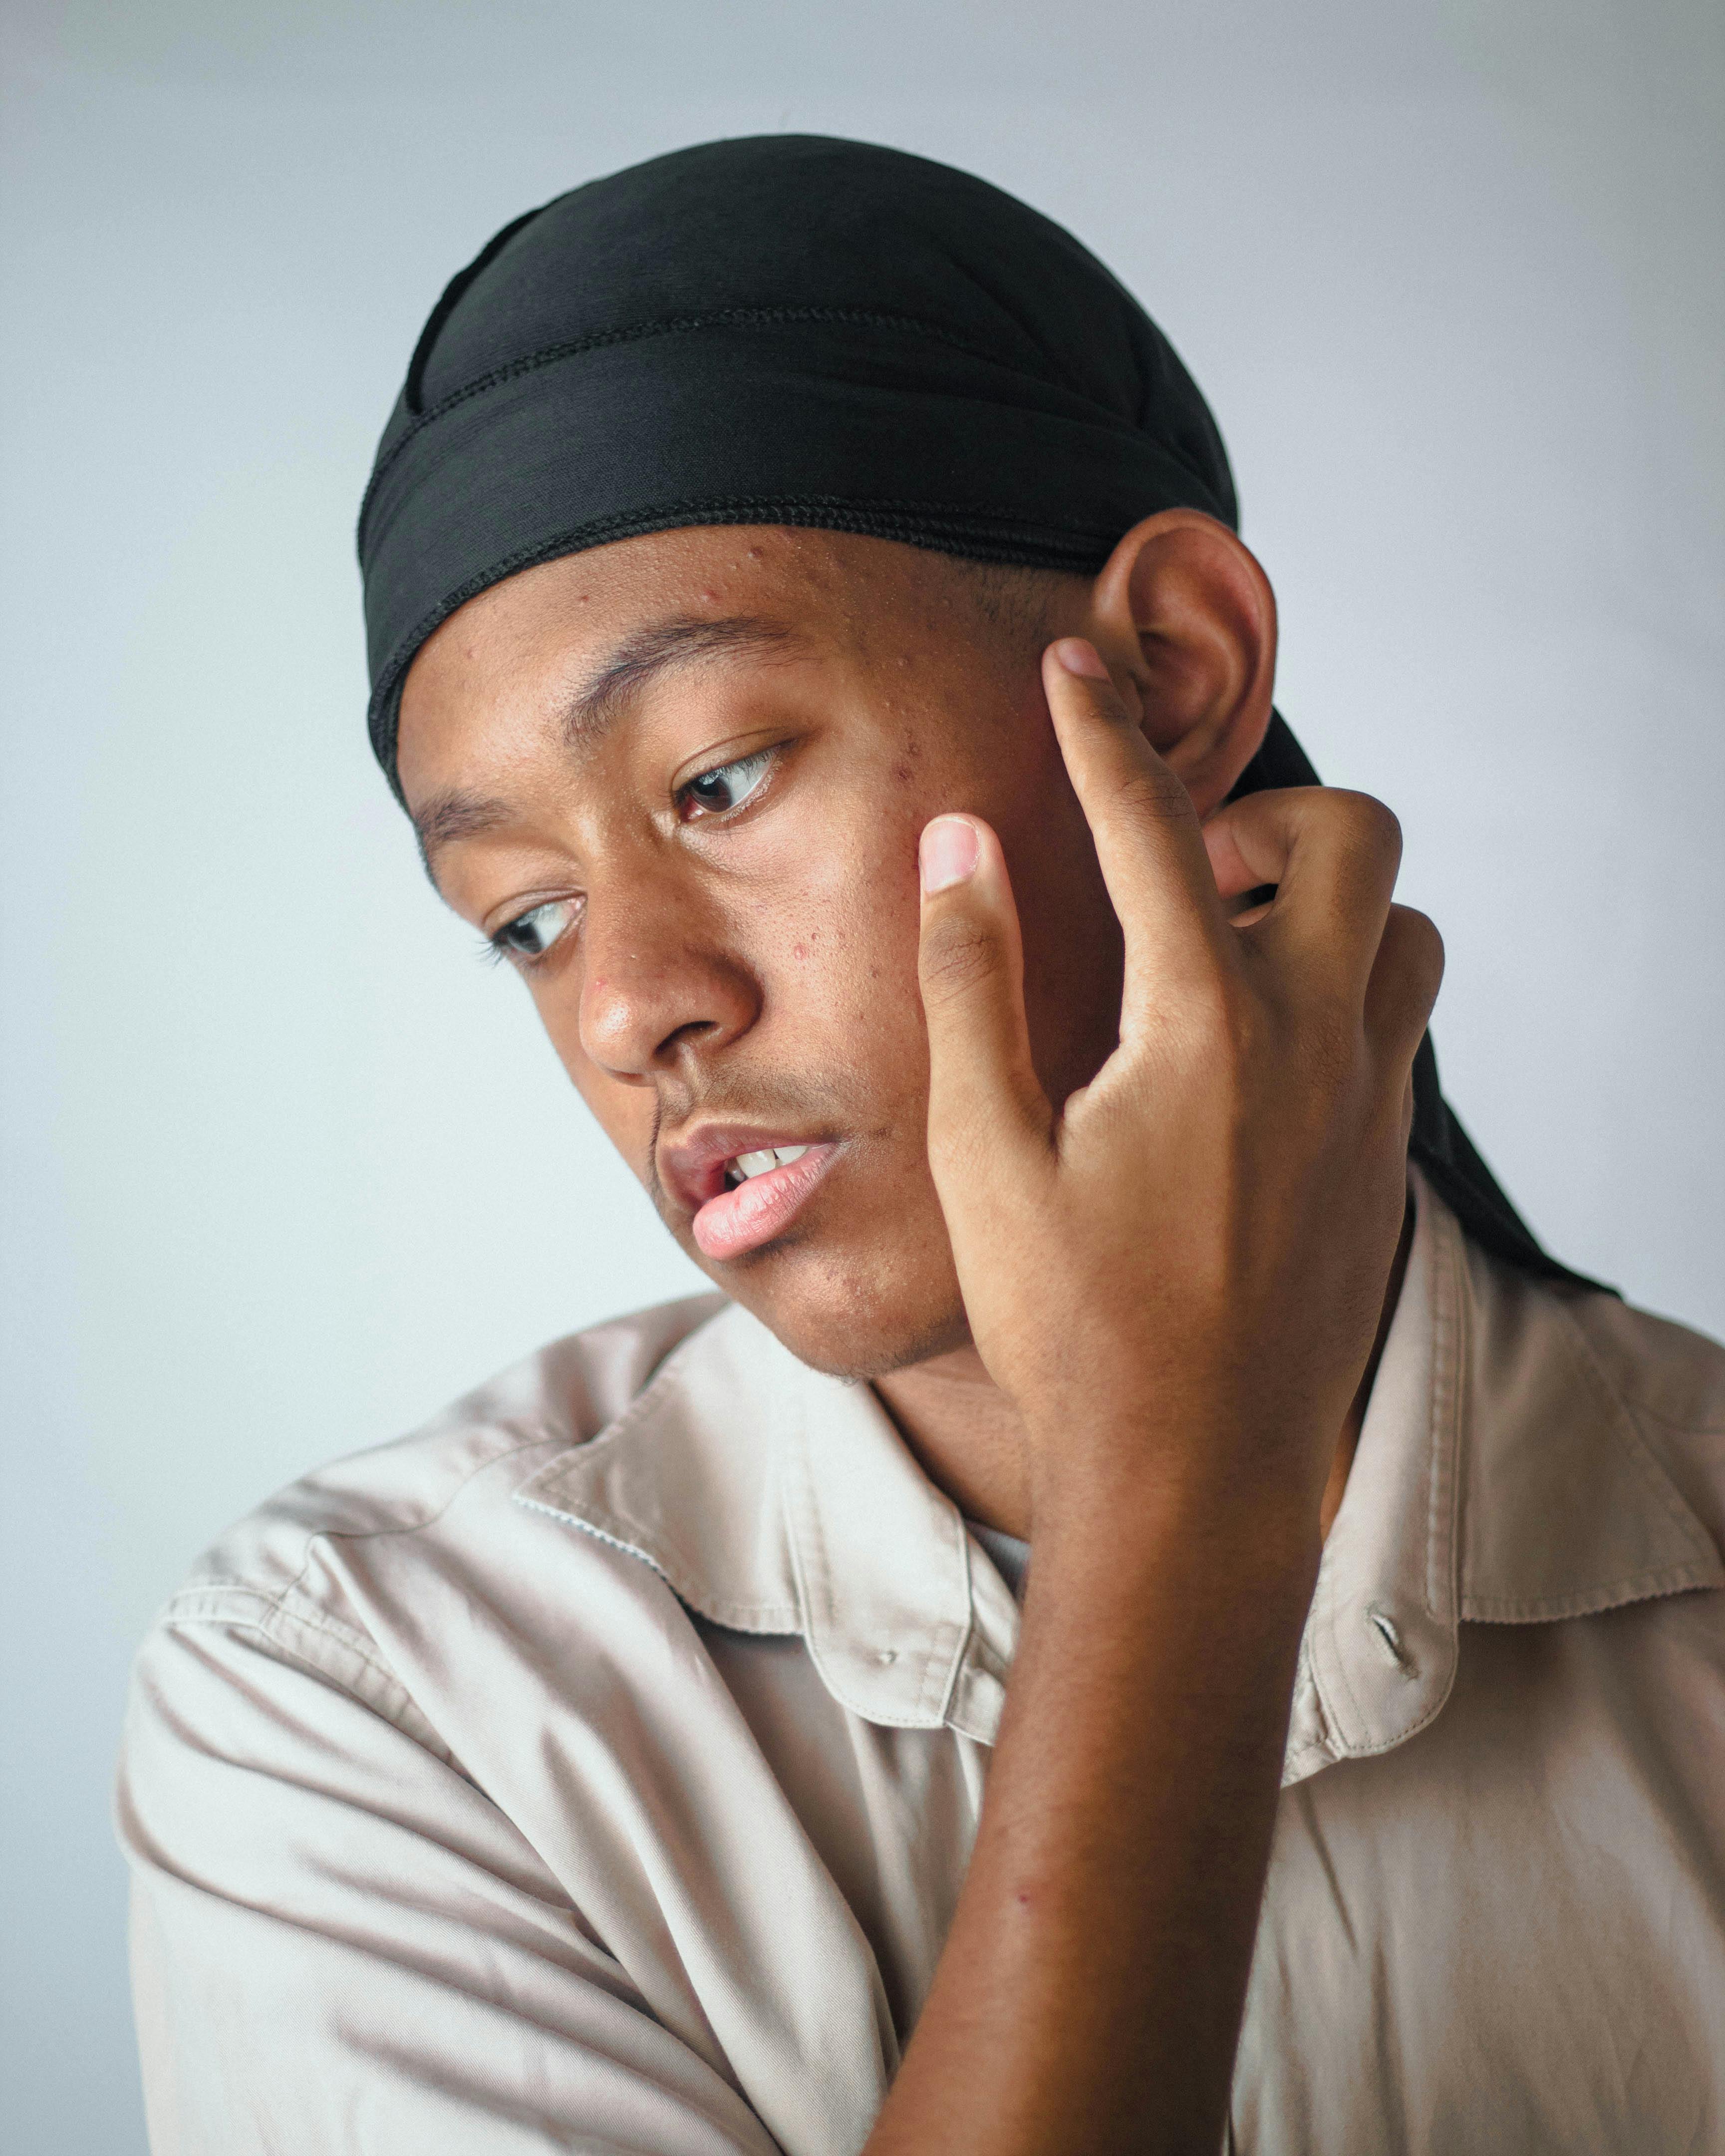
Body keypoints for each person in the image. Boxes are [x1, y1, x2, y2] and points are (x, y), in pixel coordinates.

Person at [117, 138, 1725, 2155]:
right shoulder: (374, 1698)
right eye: (522, 919)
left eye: (715, 778)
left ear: (1176, 675)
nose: (627, 1009)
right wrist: (1174, 1474)